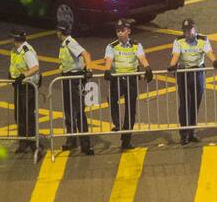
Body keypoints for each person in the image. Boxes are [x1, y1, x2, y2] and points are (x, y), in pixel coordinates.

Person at [169, 17, 217, 144]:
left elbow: (209, 52)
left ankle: (191, 132)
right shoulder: (178, 41)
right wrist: (172, 65)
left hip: (198, 73)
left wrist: (215, 61)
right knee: (184, 104)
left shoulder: (203, 40)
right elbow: (176, 55)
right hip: (184, 73)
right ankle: (184, 134)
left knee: (195, 103)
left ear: (195, 29)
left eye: (189, 30)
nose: (187, 33)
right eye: (185, 30)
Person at [103, 19, 151, 150]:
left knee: (131, 110)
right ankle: (118, 124)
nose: (120, 33)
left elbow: (141, 57)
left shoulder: (136, 45)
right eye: (118, 31)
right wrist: (107, 70)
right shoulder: (111, 46)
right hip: (118, 79)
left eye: (122, 30)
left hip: (131, 80)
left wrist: (147, 68)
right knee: (112, 100)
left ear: (128, 31)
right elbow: (109, 59)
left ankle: (126, 138)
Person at [56, 20, 93, 155]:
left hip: (75, 79)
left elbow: (86, 54)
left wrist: (89, 69)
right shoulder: (65, 44)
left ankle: (85, 143)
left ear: (60, 32)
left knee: (78, 111)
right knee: (69, 110)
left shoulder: (71, 43)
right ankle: (71, 140)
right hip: (67, 78)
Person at [8, 30, 41, 154]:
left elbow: (35, 67)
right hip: (19, 86)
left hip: (28, 87)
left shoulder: (26, 51)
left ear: (15, 39)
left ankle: (33, 141)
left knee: (29, 115)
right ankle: (23, 142)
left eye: (11, 38)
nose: (10, 40)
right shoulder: (15, 50)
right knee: (19, 115)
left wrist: (23, 75)